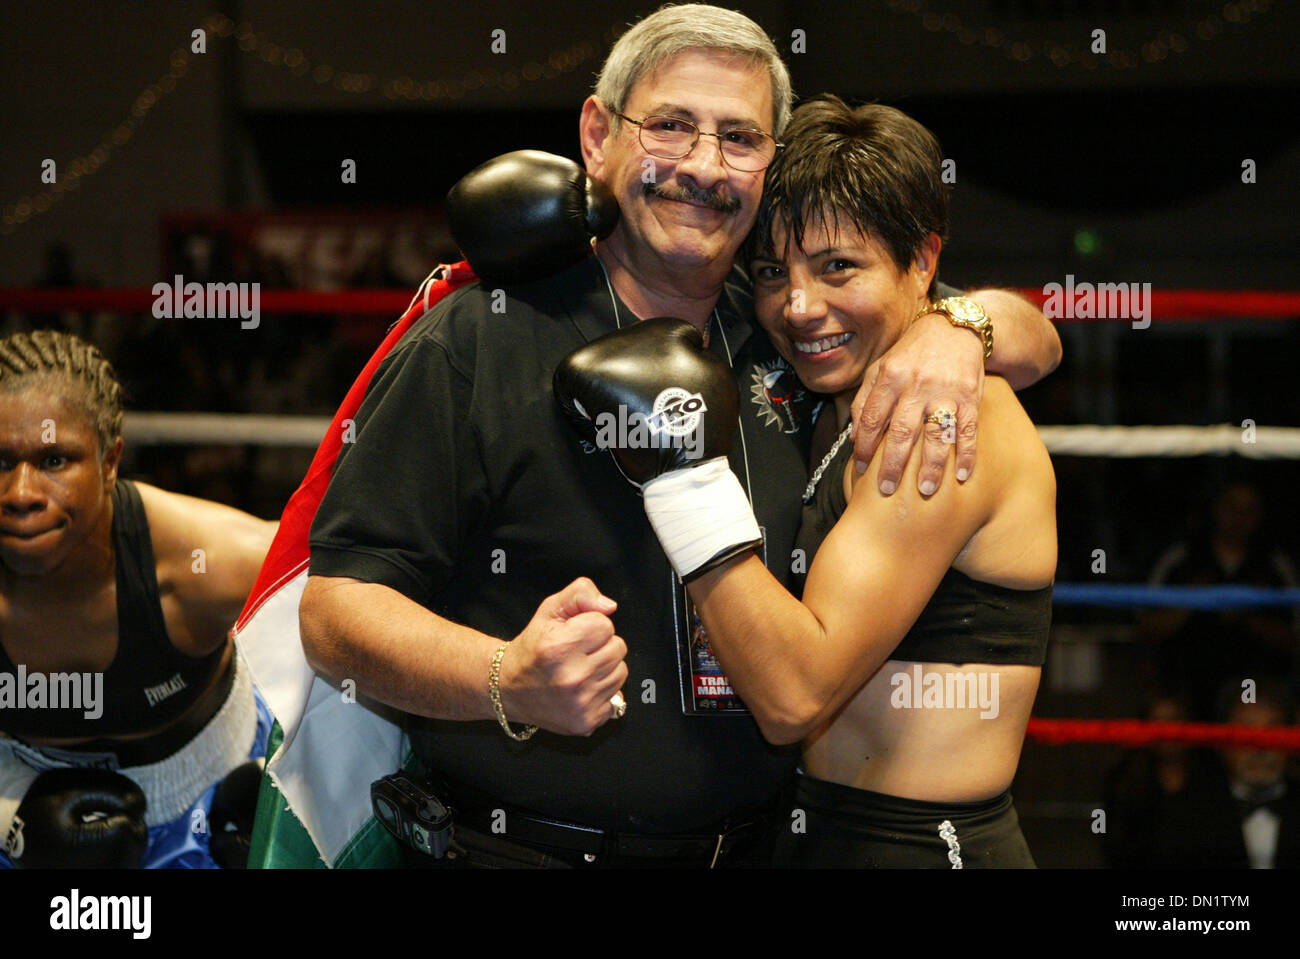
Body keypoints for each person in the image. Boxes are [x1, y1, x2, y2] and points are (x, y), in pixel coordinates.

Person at [296, 4, 1060, 868]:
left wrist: (962, 327)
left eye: (740, 137)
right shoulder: (482, 338)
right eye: (671, 126)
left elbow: (1024, 332)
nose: (703, 165)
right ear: (598, 133)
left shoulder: (792, 327)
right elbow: (334, 614)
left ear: (769, 166)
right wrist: (504, 674)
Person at [558, 95, 1057, 867]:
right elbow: (1039, 336)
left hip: (925, 845)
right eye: (771, 272)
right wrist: (968, 322)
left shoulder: (943, 416)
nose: (799, 306)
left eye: (837, 269)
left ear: (922, 261)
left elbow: (794, 694)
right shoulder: (827, 391)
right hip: (812, 830)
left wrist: (681, 475)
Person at [0, 329, 276, 868]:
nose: (21, 494)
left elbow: (365, 617)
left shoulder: (210, 562)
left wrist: (299, 784)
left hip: (214, 788)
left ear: (110, 462)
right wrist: (8, 809)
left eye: (55, 461)